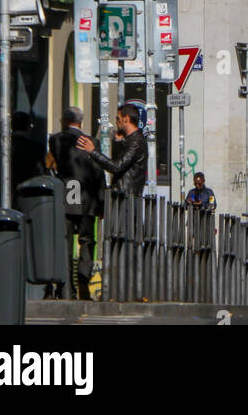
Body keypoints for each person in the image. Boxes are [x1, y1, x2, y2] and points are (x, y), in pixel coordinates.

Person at [48, 106, 105, 300]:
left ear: (64, 120)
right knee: (87, 241)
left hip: (68, 196)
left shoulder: (56, 140)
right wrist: (101, 202)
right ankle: (83, 282)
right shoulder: (92, 142)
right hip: (88, 199)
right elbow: (99, 173)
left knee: (65, 241)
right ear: (81, 122)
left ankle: (66, 288)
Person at [76, 103, 147, 197]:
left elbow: (116, 167)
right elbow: (117, 162)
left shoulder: (136, 142)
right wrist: (118, 142)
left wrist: (93, 151)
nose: (116, 122)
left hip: (127, 197)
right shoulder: (129, 140)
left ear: (126, 119)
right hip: (121, 194)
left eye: (118, 118)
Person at [11, 111, 46, 193]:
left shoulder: (0, 144)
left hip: (4, 191)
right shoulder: (36, 147)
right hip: (28, 191)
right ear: (28, 127)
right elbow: (41, 170)